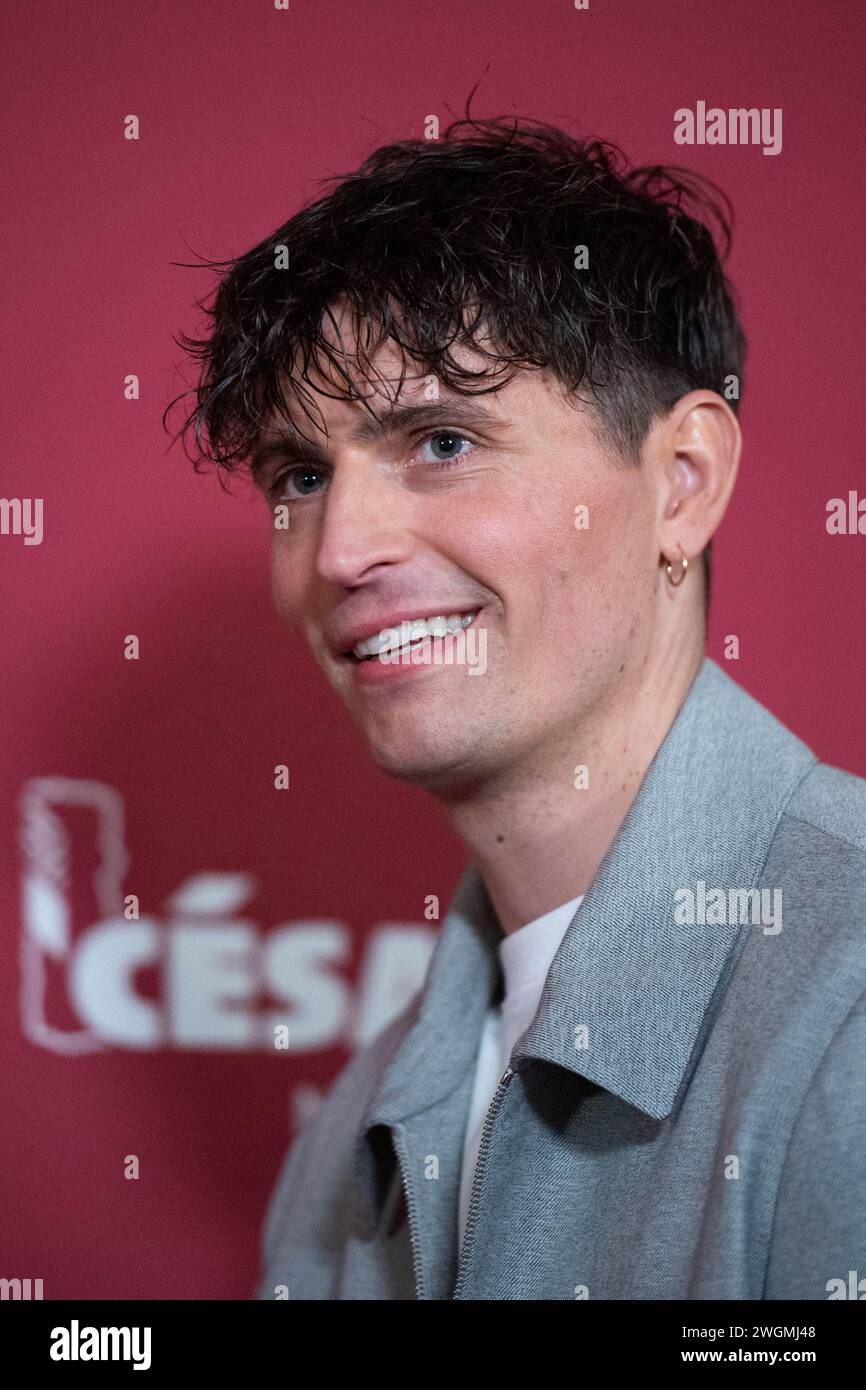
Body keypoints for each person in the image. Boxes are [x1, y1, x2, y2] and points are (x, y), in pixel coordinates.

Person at [168, 118, 866, 1300]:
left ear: (680, 484)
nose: (340, 549)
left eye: (441, 441)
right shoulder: (350, 1135)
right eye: (299, 476)